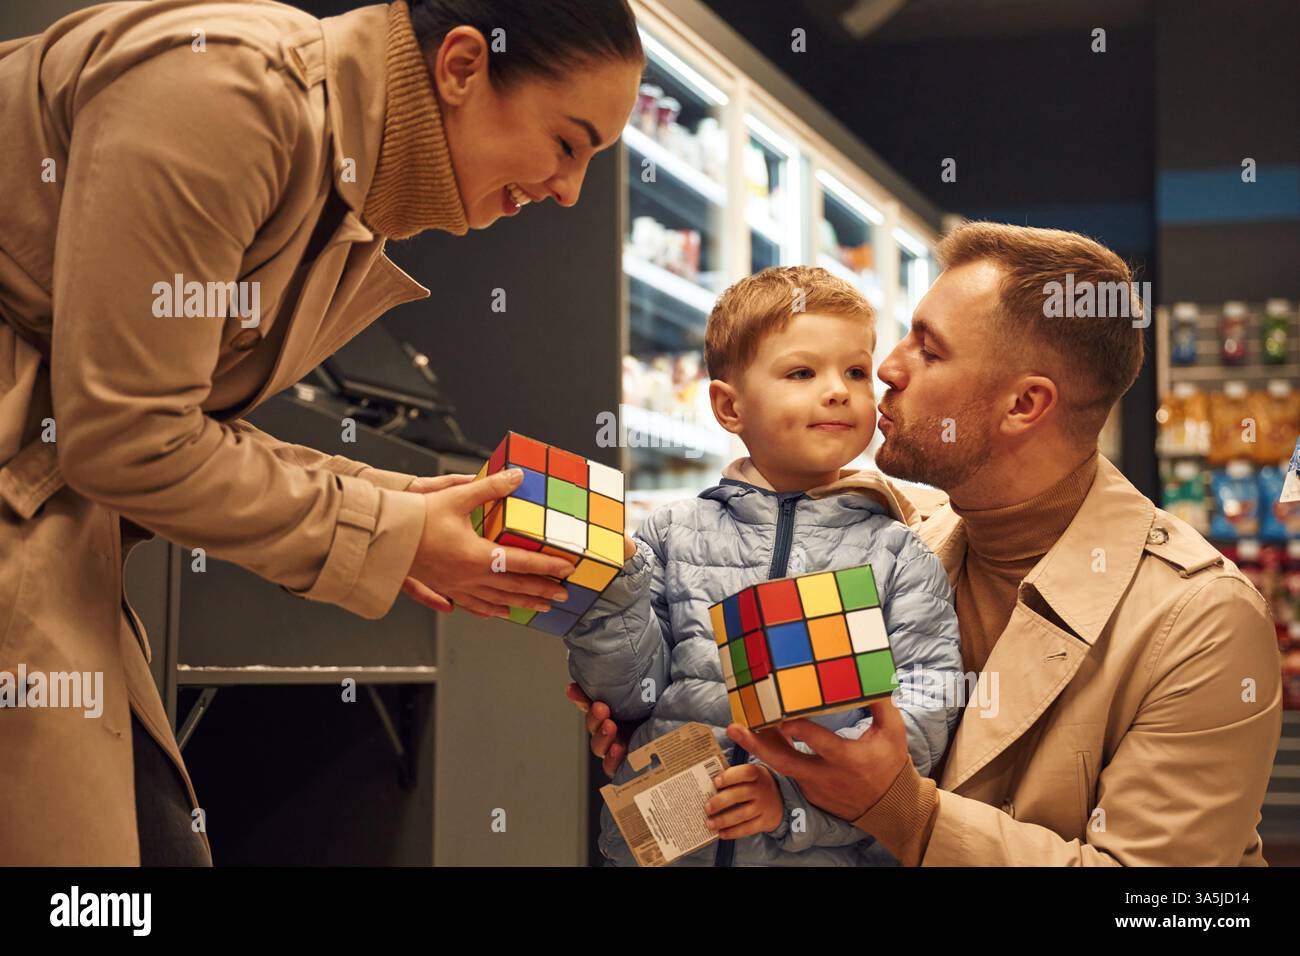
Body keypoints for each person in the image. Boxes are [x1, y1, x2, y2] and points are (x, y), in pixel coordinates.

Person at [0, 0, 643, 865]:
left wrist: (395, 507)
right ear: (460, 66)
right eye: (569, 144)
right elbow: (128, 437)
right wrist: (396, 533)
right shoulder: (230, 93)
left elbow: (152, 424)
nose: (568, 192)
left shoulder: (332, 174)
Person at [572, 222, 1282, 866]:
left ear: (1024, 405)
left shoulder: (1201, 622)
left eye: (928, 348)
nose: (884, 369)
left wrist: (905, 813)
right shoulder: (898, 538)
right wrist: (658, 716)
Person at [566, 266, 963, 866]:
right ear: (729, 407)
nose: (838, 390)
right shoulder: (667, 535)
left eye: (855, 372)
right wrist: (611, 586)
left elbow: (925, 713)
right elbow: (628, 695)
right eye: (802, 372)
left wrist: (792, 800)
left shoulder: (899, 554)